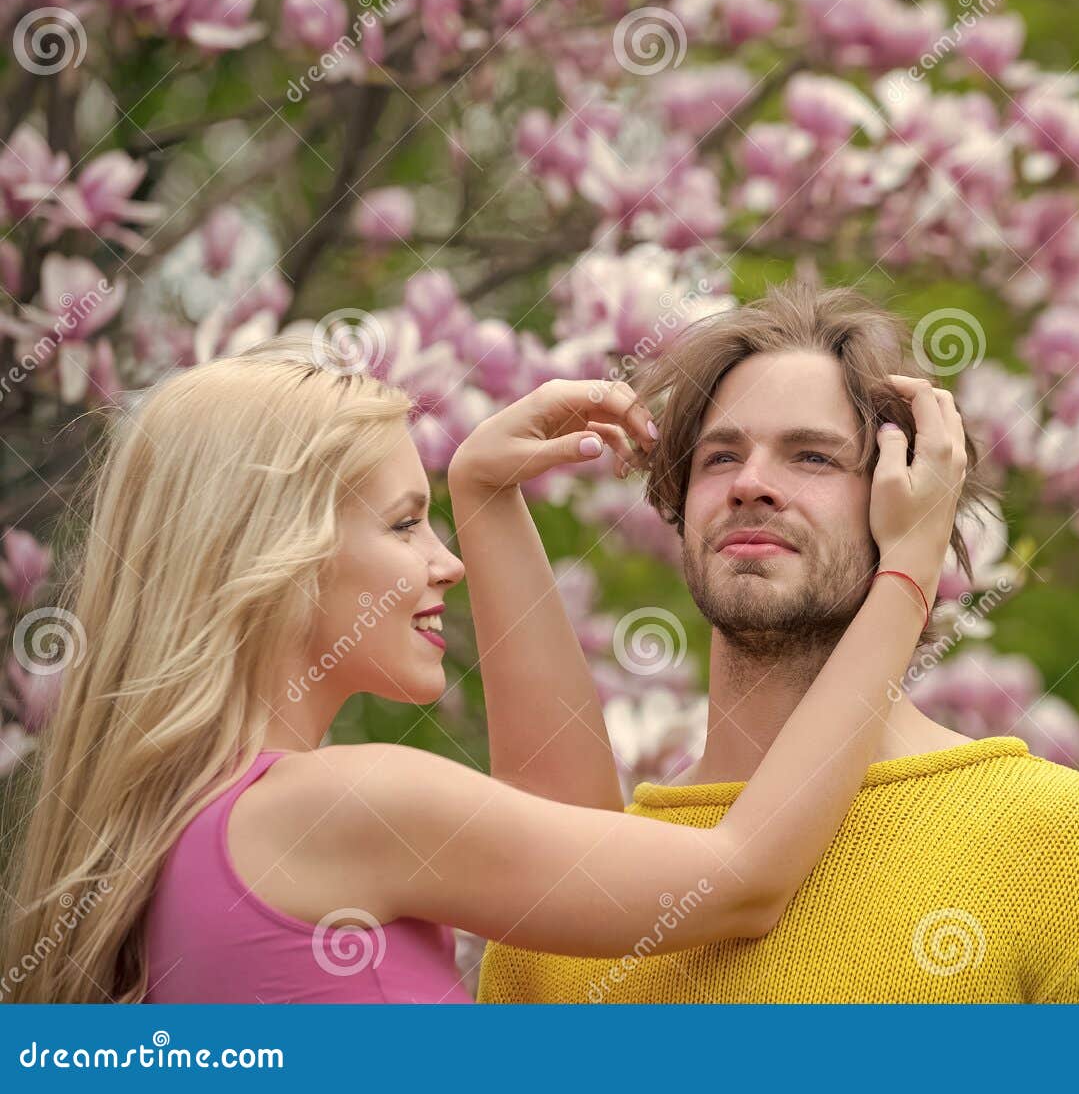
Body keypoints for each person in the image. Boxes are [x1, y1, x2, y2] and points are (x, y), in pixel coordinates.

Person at [0, 331, 965, 1003]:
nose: (443, 561)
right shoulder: (337, 807)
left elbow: (577, 872)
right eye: (402, 523)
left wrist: (485, 494)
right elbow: (737, 877)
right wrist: (911, 565)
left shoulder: (191, 828)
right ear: (275, 554)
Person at [478, 281, 1079, 1003]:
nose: (752, 484)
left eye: (814, 457)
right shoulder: (570, 890)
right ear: (677, 501)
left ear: (906, 500)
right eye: (721, 457)